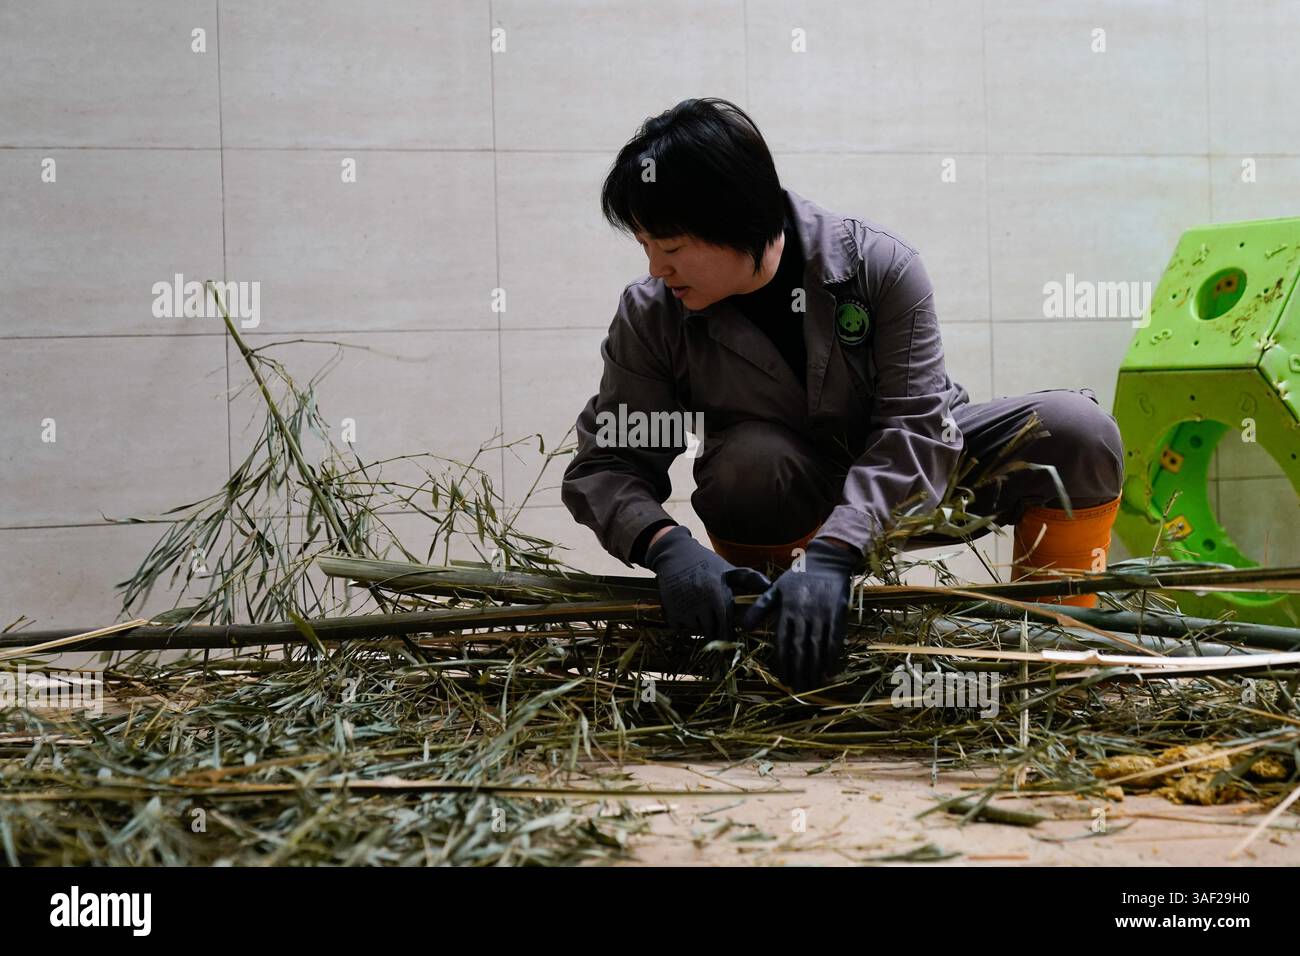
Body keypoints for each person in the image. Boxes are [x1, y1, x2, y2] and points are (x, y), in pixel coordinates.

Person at [561, 98, 1124, 692]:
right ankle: (776, 640)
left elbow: (915, 426)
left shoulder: (879, 266)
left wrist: (836, 553)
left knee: (1075, 429)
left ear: (736, 217)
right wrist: (663, 543)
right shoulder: (652, 313)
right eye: (645, 245)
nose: (656, 267)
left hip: (915, 483)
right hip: (782, 490)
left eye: (670, 247)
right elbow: (612, 458)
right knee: (751, 460)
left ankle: (1058, 649)